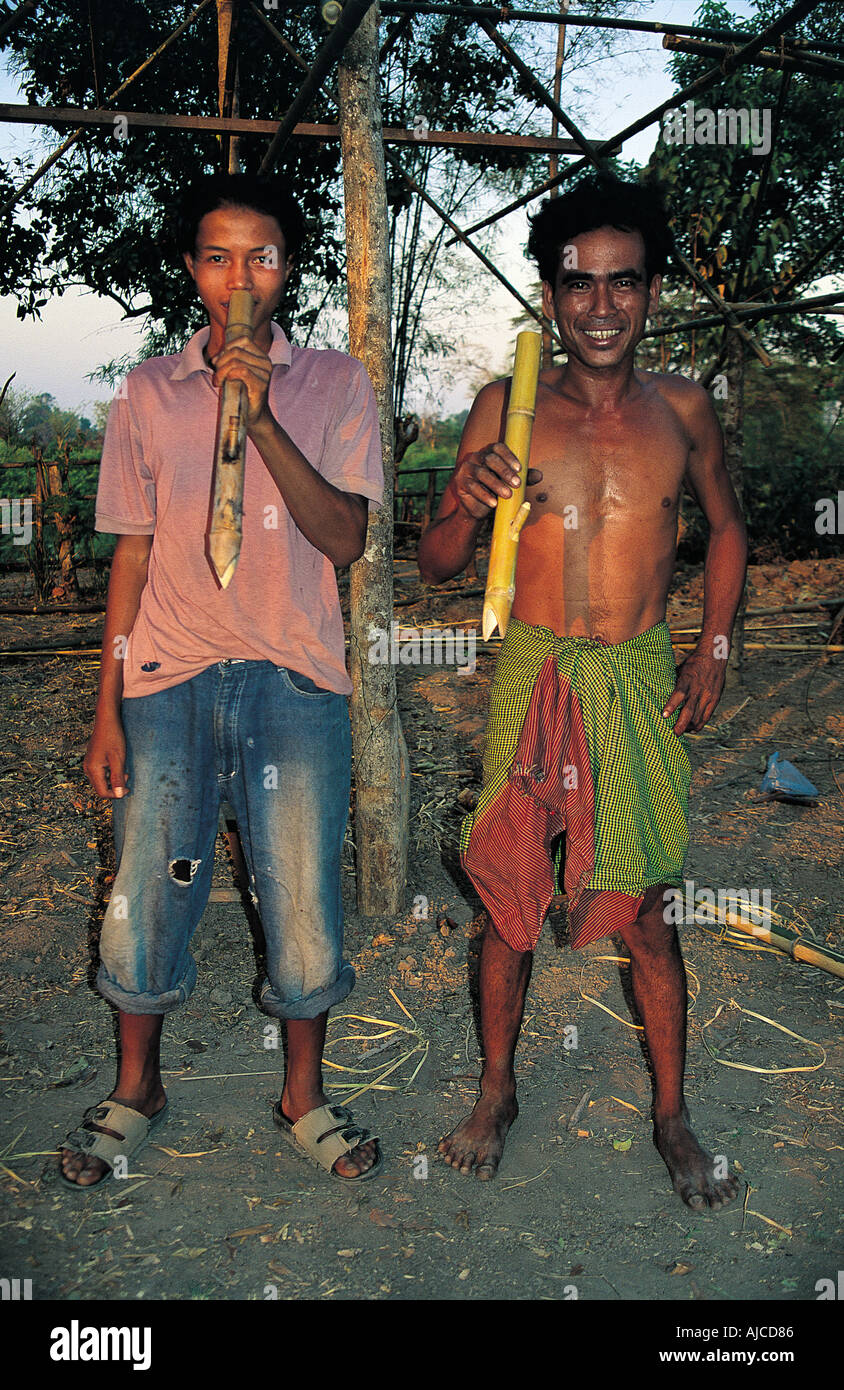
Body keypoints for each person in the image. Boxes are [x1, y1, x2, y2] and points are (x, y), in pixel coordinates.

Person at [418, 174, 747, 1210]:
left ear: (650, 294)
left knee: (646, 907)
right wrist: (465, 506)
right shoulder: (504, 410)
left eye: (623, 284)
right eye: (577, 284)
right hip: (536, 666)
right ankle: (498, 1088)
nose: (599, 306)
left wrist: (715, 648)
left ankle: (670, 1112)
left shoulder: (683, 408)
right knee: (511, 901)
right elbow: (433, 563)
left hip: (641, 670)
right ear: (550, 296)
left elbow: (728, 528)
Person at [59, 172, 383, 1187]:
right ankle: (137, 1087)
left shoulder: (334, 383)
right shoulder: (148, 391)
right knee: (148, 885)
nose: (239, 275)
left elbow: (345, 537)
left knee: (298, 890)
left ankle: (302, 1095)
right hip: (169, 677)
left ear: (290, 269)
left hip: (292, 678)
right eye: (217, 254)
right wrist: (110, 705)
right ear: (192, 269)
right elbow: (132, 556)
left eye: (263, 255)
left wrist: (264, 413)